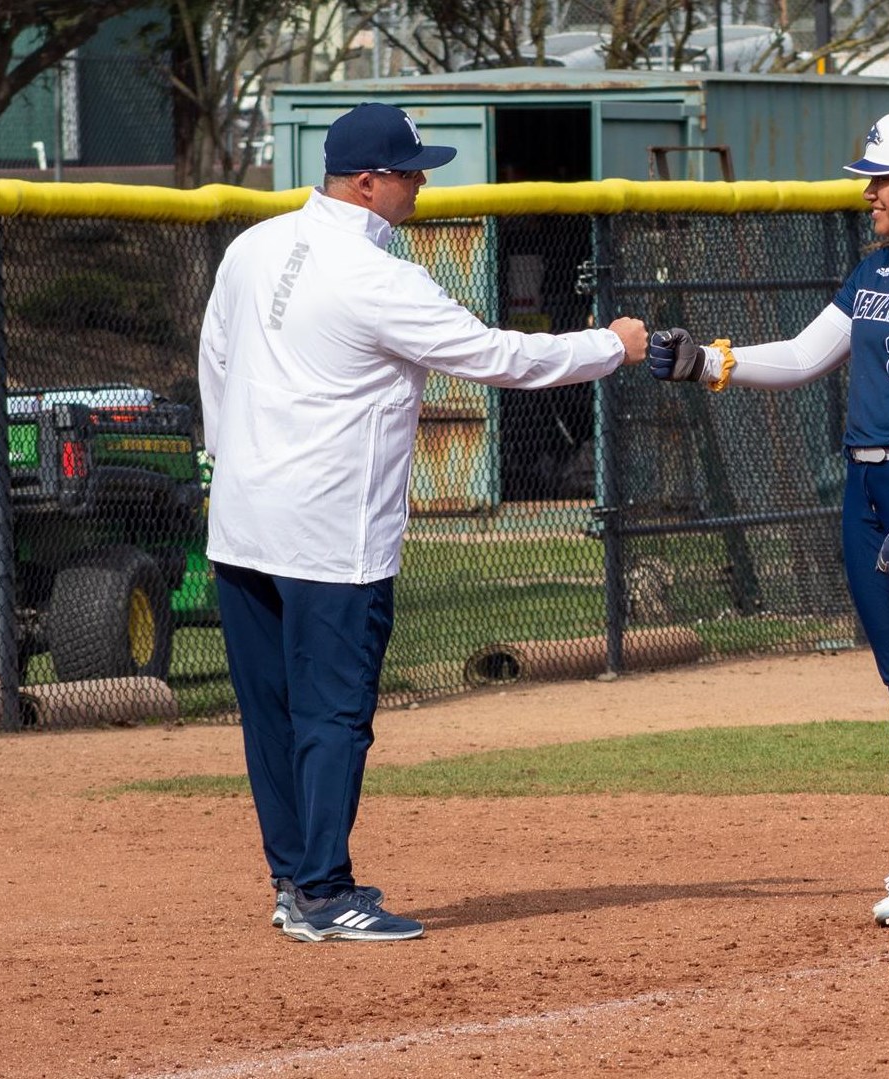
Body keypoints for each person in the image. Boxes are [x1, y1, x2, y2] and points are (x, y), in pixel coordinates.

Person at [198, 102, 649, 942]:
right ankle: (326, 894)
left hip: (243, 521)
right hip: (329, 530)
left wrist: (235, 467)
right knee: (332, 712)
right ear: (367, 182)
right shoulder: (377, 276)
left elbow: (215, 365)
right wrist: (607, 347)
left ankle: (295, 879)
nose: (420, 183)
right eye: (409, 171)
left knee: (271, 711)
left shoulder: (253, 246)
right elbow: (496, 358)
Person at [647, 107, 889, 934]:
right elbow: (802, 354)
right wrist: (711, 362)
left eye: (882, 179)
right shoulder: (875, 272)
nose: (870, 193)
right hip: (865, 488)